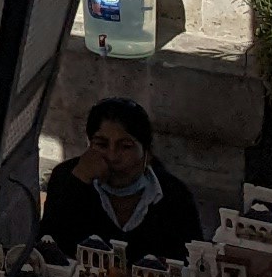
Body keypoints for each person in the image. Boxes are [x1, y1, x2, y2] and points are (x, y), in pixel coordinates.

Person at [39, 96, 206, 263]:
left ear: (147, 154)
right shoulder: (67, 177)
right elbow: (48, 246)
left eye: (125, 146)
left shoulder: (175, 196)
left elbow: (192, 262)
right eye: (101, 145)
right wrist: (78, 182)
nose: (112, 157)